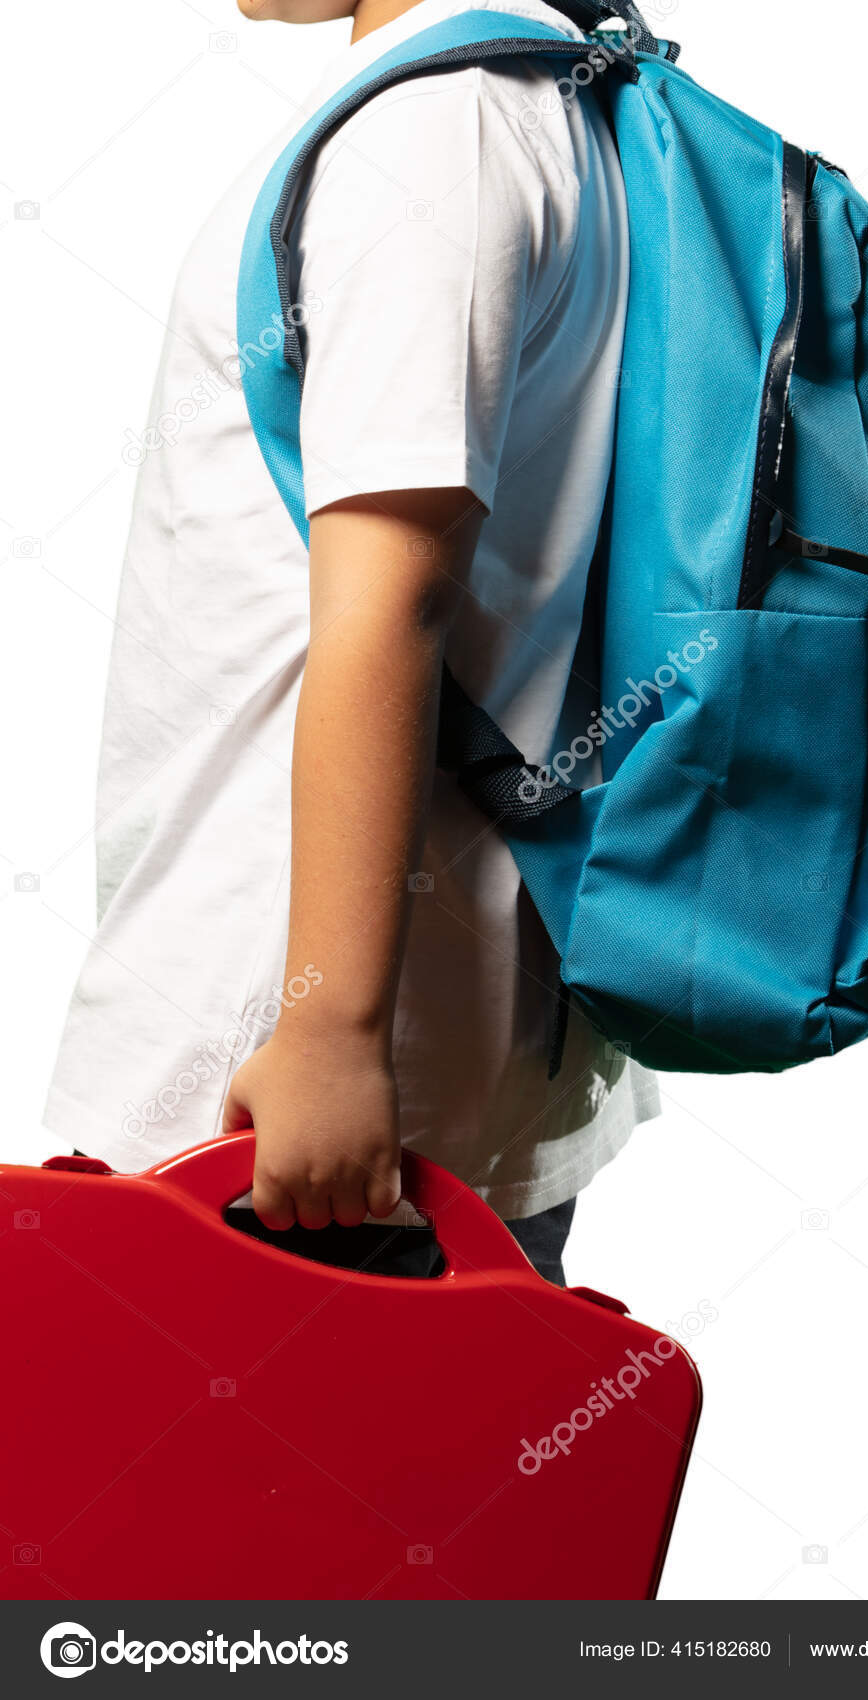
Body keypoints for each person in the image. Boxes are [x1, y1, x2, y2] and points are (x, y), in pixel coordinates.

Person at [45, 0, 659, 1284]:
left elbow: (392, 597)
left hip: (297, 1090)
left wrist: (327, 1025)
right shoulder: (552, 96)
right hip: (413, 1045)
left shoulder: (436, 129)